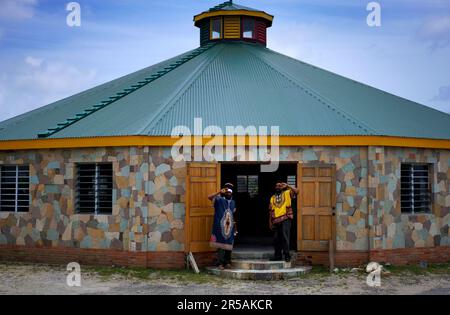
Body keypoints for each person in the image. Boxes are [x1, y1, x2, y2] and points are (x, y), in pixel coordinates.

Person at [269, 181, 299, 262]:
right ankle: (277, 256)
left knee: (285, 238)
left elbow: (297, 191)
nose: (278, 187)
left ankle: (287, 255)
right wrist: (270, 222)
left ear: (282, 187)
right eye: (277, 186)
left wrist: (288, 185)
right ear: (275, 188)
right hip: (276, 221)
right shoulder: (272, 198)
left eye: (280, 185)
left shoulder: (287, 193)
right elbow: (271, 211)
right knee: (276, 239)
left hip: (286, 219)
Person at [208, 186, 236, 270]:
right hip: (220, 226)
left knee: (229, 244)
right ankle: (220, 263)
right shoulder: (219, 199)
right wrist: (218, 192)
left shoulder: (233, 202)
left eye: (229, 192)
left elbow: (233, 212)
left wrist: (234, 225)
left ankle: (227, 262)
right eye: (227, 192)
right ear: (224, 193)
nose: (228, 193)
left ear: (231, 193)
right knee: (221, 244)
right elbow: (209, 197)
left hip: (229, 226)